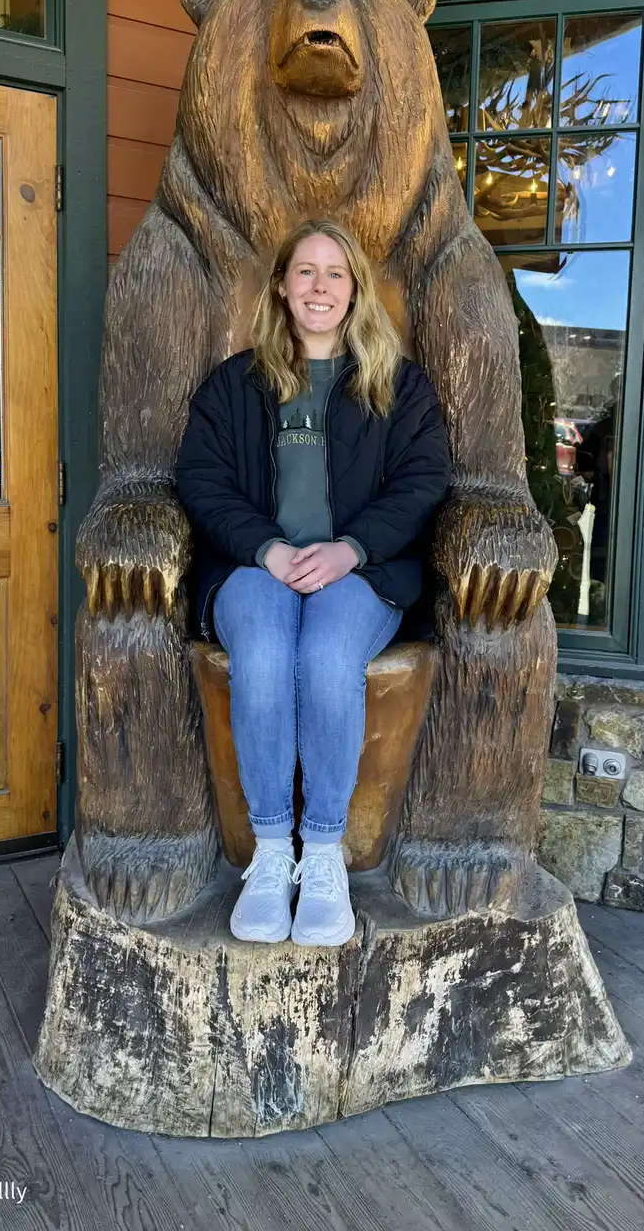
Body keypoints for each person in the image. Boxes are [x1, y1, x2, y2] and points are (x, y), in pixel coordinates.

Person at [176, 219, 451, 947]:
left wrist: (351, 550)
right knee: (263, 655)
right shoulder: (234, 385)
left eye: (335, 273)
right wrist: (264, 548)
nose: (319, 286)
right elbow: (202, 482)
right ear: (281, 286)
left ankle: (322, 853)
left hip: (361, 571)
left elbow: (422, 483)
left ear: (355, 289)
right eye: (305, 271)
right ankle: (271, 855)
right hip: (250, 568)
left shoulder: (398, 386)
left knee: (329, 660)